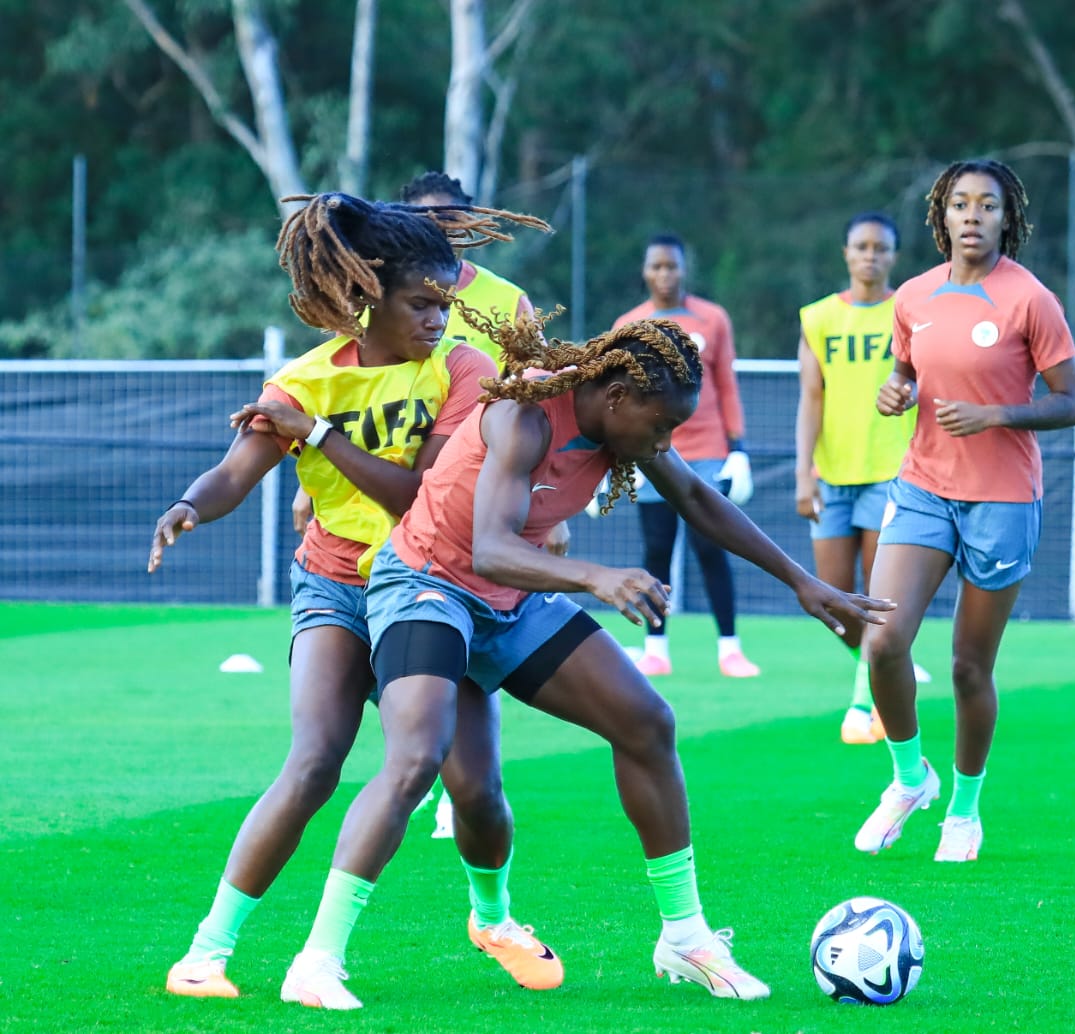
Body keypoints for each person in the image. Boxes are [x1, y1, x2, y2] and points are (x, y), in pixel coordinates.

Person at [331, 308, 896, 1004]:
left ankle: (685, 937)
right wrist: (597, 577)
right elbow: (490, 548)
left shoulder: (627, 420)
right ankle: (320, 959)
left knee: (645, 721)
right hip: (426, 586)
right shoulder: (529, 413)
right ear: (617, 398)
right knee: (423, 762)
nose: (666, 441)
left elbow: (694, 496)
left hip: (507, 600)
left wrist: (803, 582)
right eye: (661, 427)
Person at [149, 192, 565, 1009]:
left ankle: (493, 919)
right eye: (423, 304)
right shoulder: (302, 382)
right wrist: (192, 505)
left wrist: (316, 438)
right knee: (312, 764)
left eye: (447, 305)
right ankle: (205, 952)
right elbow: (236, 470)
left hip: (435, 588)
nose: (441, 320)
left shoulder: (462, 370)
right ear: (367, 296)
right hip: (337, 588)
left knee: (476, 786)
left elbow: (418, 497)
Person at [290, 171, 568, 840]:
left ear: (468, 220)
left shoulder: (506, 303)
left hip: (466, 532)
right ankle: (416, 778)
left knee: (473, 767)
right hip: (373, 541)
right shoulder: (378, 305)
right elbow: (351, 392)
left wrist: (547, 511)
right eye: (424, 219)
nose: (439, 226)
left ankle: (452, 802)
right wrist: (312, 478)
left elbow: (534, 408)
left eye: (450, 217)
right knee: (336, 748)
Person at [852, 158, 1075, 864]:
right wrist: (894, 392)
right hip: (923, 487)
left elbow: (1072, 402)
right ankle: (908, 779)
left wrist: (996, 415)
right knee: (883, 642)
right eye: (961, 204)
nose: (974, 215)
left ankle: (963, 808)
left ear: (1007, 218)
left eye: (988, 205)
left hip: (1003, 501)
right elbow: (904, 373)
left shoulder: (1030, 300)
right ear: (942, 217)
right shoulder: (914, 297)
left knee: (966, 669)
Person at [795, 213, 928, 746]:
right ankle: (882, 665)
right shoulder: (819, 317)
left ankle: (863, 700)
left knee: (877, 597)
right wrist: (805, 472)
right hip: (833, 475)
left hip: (891, 473)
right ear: (845, 252)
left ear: (894, 255)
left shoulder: (909, 313)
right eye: (861, 246)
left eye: (881, 247)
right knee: (833, 601)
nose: (870, 255)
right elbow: (811, 397)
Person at [607, 234, 758, 678]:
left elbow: (727, 385)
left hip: (706, 453)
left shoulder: (712, 319)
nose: (665, 275)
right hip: (651, 454)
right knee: (657, 547)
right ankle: (655, 647)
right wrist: (617, 455)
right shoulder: (629, 324)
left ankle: (729, 648)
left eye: (672, 266)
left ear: (683, 269)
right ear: (645, 271)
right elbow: (617, 397)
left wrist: (739, 450)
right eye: (656, 267)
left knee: (710, 545)